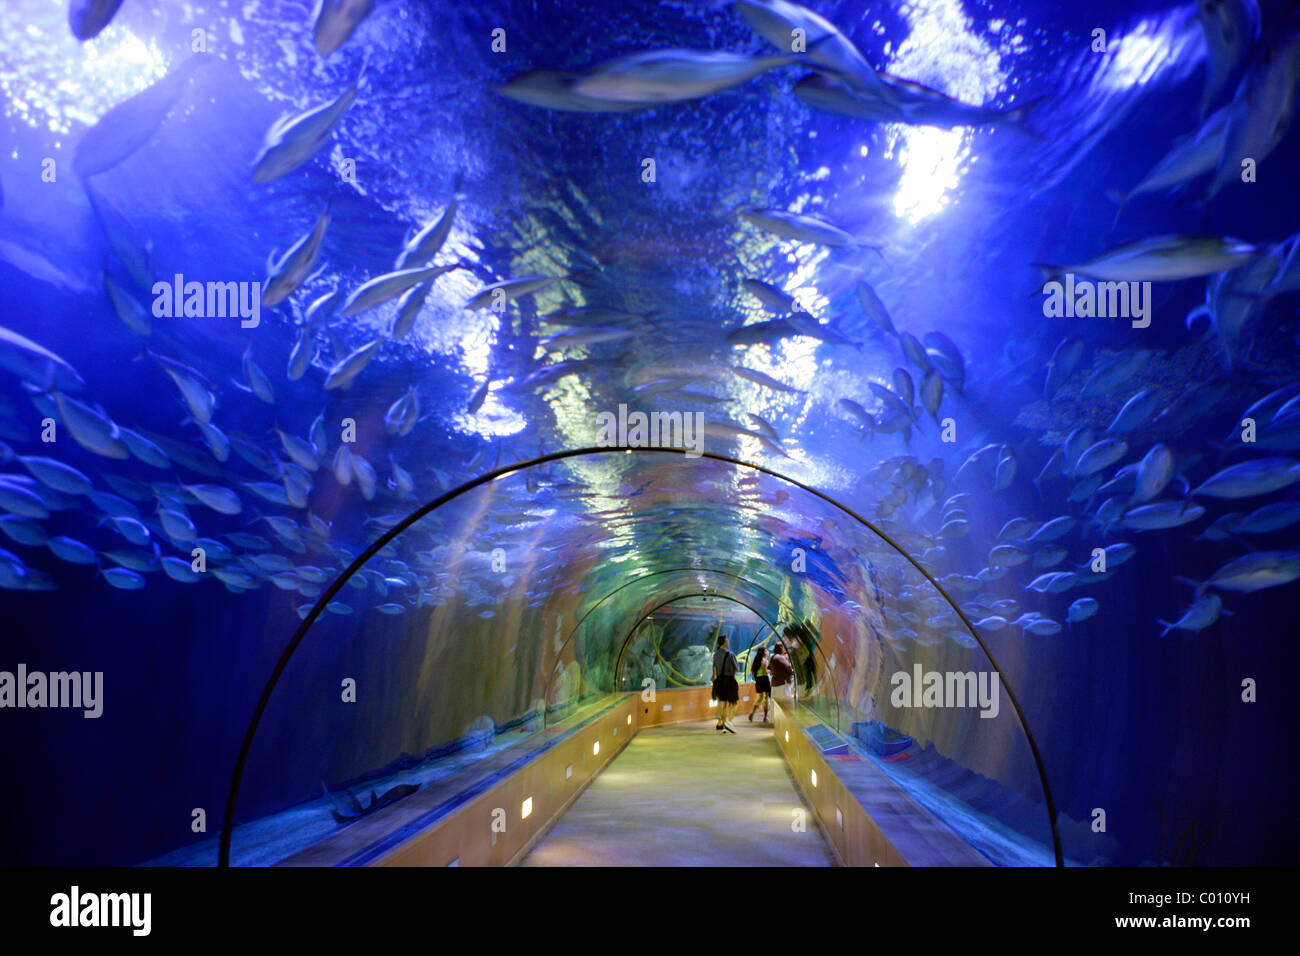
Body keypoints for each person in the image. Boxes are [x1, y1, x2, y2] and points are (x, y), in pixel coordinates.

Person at [712, 634, 740, 734]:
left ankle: (724, 726)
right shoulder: (730, 654)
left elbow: (714, 668)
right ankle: (729, 722)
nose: (728, 642)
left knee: (722, 704)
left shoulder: (715, 655)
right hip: (729, 680)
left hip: (719, 681)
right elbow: (737, 668)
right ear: (724, 642)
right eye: (727, 640)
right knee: (736, 702)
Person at [749, 646, 771, 723]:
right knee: (766, 699)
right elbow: (766, 671)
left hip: (758, 680)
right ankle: (765, 717)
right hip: (765, 680)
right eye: (766, 651)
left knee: (759, 698)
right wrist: (770, 671)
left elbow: (752, 671)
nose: (767, 652)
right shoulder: (765, 661)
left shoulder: (756, 661)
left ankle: (752, 713)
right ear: (763, 653)